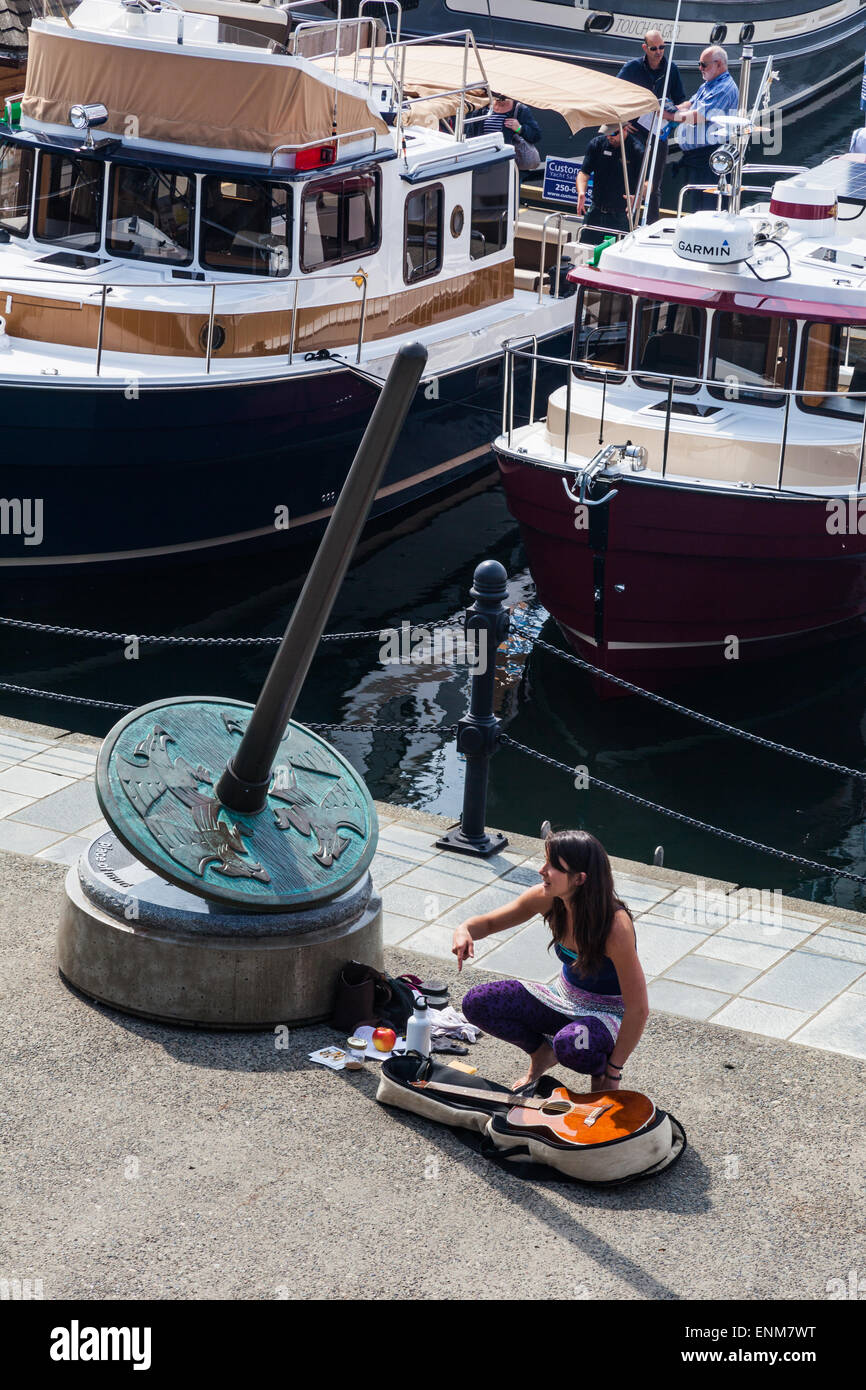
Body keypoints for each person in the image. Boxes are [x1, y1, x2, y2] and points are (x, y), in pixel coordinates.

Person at [453, 829, 648, 1092]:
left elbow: (638, 1009)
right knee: (478, 1003)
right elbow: (487, 923)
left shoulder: (615, 927)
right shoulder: (547, 899)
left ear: (580, 878)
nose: (542, 870)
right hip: (562, 997)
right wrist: (464, 929)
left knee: (571, 1046)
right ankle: (541, 1053)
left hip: (607, 1015)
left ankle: (599, 1071)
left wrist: (614, 1073)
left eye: (554, 866)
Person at [617, 30, 686, 222]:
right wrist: (622, 122)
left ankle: (651, 226)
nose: (659, 52)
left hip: (658, 133)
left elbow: (681, 99)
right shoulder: (632, 68)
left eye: (662, 47)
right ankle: (624, 223)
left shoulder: (671, 68)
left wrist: (670, 116)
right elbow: (614, 94)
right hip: (634, 131)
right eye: (654, 48)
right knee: (629, 178)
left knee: (654, 184)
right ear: (645, 48)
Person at [670, 45, 739, 211]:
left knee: (707, 209)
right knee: (697, 207)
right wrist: (671, 108)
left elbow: (697, 117)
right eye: (699, 64)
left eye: (704, 64)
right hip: (697, 159)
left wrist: (666, 115)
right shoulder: (709, 84)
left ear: (719, 64)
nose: (700, 68)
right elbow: (690, 104)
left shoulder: (723, 89)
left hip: (709, 159)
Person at [576, 124, 644, 242]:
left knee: (617, 254)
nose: (609, 137)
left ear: (624, 129)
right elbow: (584, 173)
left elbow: (647, 181)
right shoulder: (597, 144)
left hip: (621, 215)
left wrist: (638, 196)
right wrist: (581, 192)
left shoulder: (636, 150)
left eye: (613, 133)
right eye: (606, 133)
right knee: (584, 250)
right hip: (596, 210)